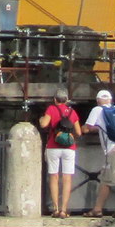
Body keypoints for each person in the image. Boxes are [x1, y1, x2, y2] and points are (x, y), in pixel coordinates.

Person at [85, 89, 115, 223]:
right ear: (110, 100)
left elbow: (88, 127)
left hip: (114, 148)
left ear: (98, 100)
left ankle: (97, 209)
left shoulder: (97, 109)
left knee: (106, 179)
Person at [38, 90, 82, 218]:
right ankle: (64, 210)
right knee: (67, 178)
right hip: (69, 147)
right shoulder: (72, 112)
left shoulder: (51, 109)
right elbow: (78, 132)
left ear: (55, 99)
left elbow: (44, 124)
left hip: (53, 146)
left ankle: (55, 209)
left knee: (54, 176)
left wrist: (42, 118)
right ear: (66, 100)